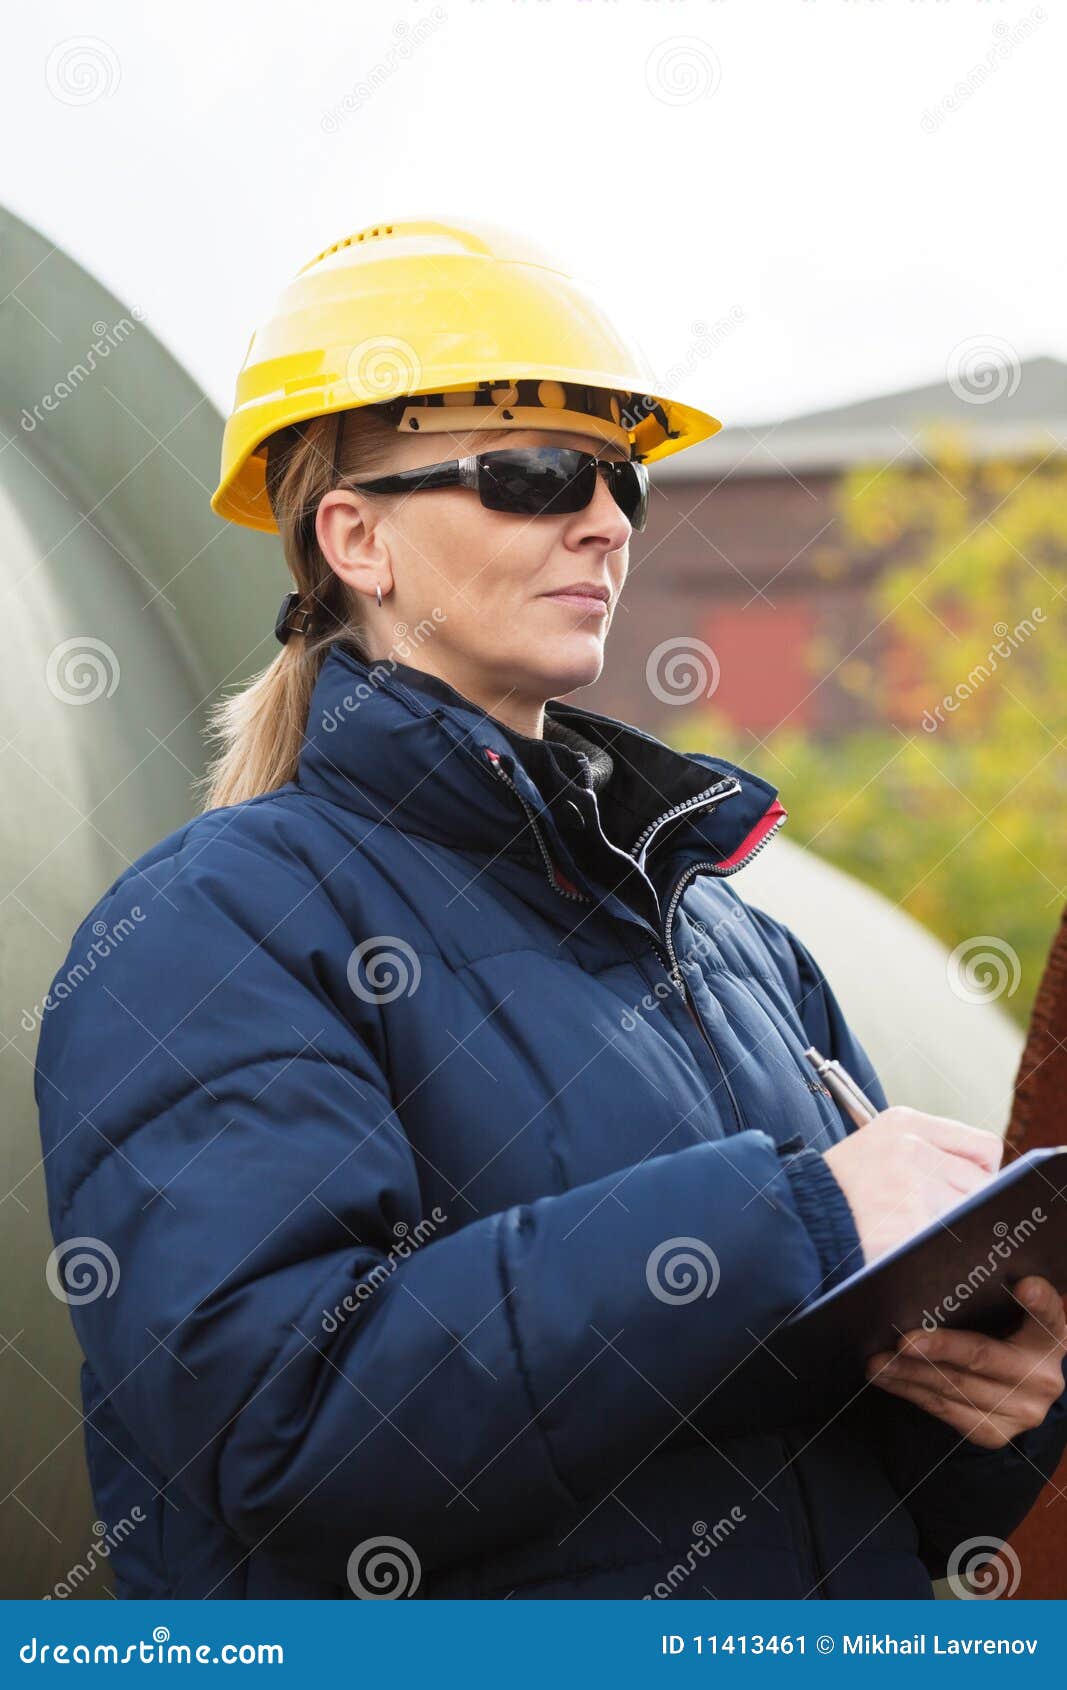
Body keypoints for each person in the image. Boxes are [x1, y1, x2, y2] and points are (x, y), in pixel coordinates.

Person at [35, 218, 1067, 1600]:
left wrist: (994, 1399)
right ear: (356, 537)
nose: (605, 521)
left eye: (622, 483)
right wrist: (790, 1221)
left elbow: (862, 1472)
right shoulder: (207, 933)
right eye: (534, 474)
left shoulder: (737, 944)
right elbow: (279, 1432)